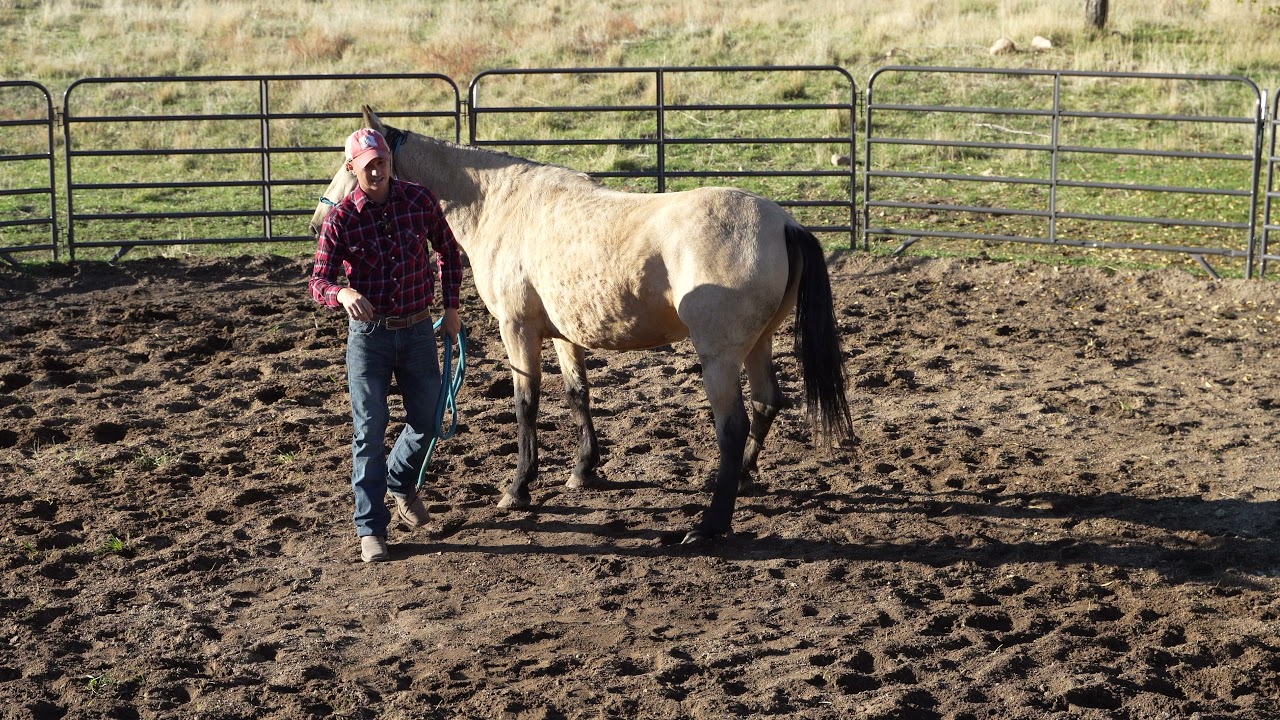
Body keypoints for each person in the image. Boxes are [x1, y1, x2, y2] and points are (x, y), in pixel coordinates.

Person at [309, 128, 463, 563]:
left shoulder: (419, 199)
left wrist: (451, 307)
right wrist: (341, 293)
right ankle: (371, 528)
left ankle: (399, 478)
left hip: (417, 330)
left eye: (382, 162)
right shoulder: (341, 219)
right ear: (351, 168)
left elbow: (448, 251)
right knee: (369, 431)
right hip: (369, 337)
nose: (377, 171)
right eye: (368, 166)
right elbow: (318, 281)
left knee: (429, 419)